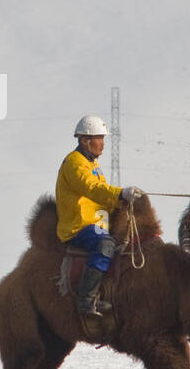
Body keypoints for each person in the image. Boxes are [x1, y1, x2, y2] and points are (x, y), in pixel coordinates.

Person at [55, 115, 144, 328]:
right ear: (85, 140)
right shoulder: (75, 163)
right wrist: (121, 193)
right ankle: (86, 300)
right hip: (79, 226)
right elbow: (93, 190)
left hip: (97, 224)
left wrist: (124, 204)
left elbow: (102, 196)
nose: (103, 143)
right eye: (99, 138)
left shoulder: (92, 164)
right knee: (106, 244)